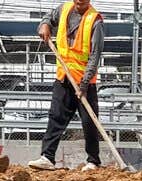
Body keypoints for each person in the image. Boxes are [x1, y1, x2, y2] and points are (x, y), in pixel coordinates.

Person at [26, 0, 104, 171]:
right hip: (63, 78)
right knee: (56, 117)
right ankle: (47, 157)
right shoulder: (64, 8)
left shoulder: (95, 21)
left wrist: (84, 83)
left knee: (89, 122)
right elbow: (49, 17)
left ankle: (93, 161)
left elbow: (95, 56)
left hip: (84, 82)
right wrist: (45, 24)